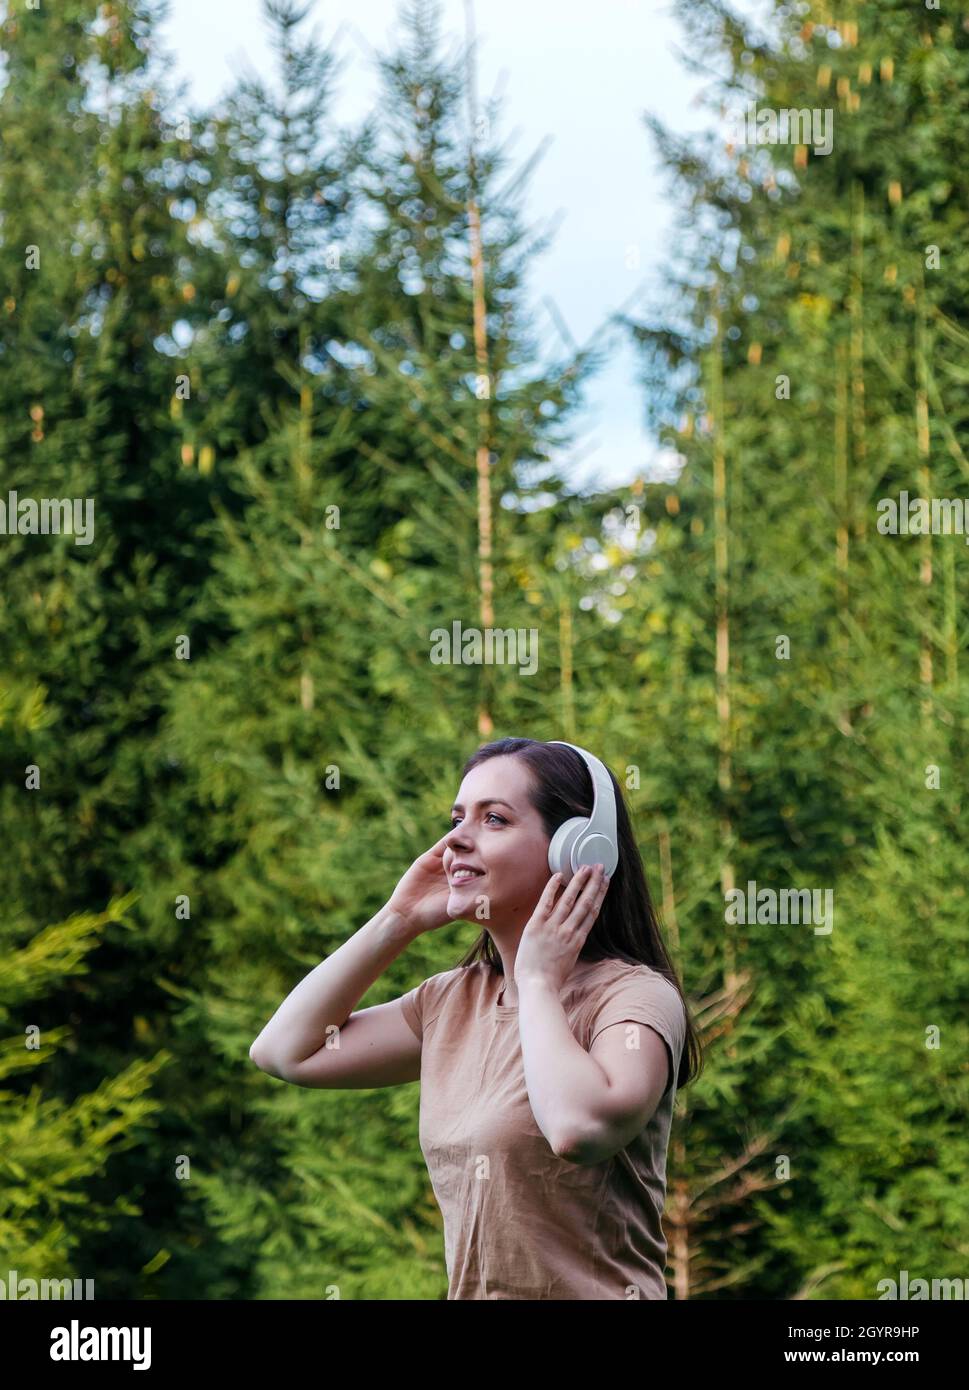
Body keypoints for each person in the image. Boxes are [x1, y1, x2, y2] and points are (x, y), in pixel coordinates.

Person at [249, 736, 702, 1299]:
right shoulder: (450, 1002)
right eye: (457, 817)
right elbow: (284, 1051)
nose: (455, 840)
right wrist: (399, 919)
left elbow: (580, 1128)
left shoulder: (634, 999)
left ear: (578, 850)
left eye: (494, 819)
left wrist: (538, 979)